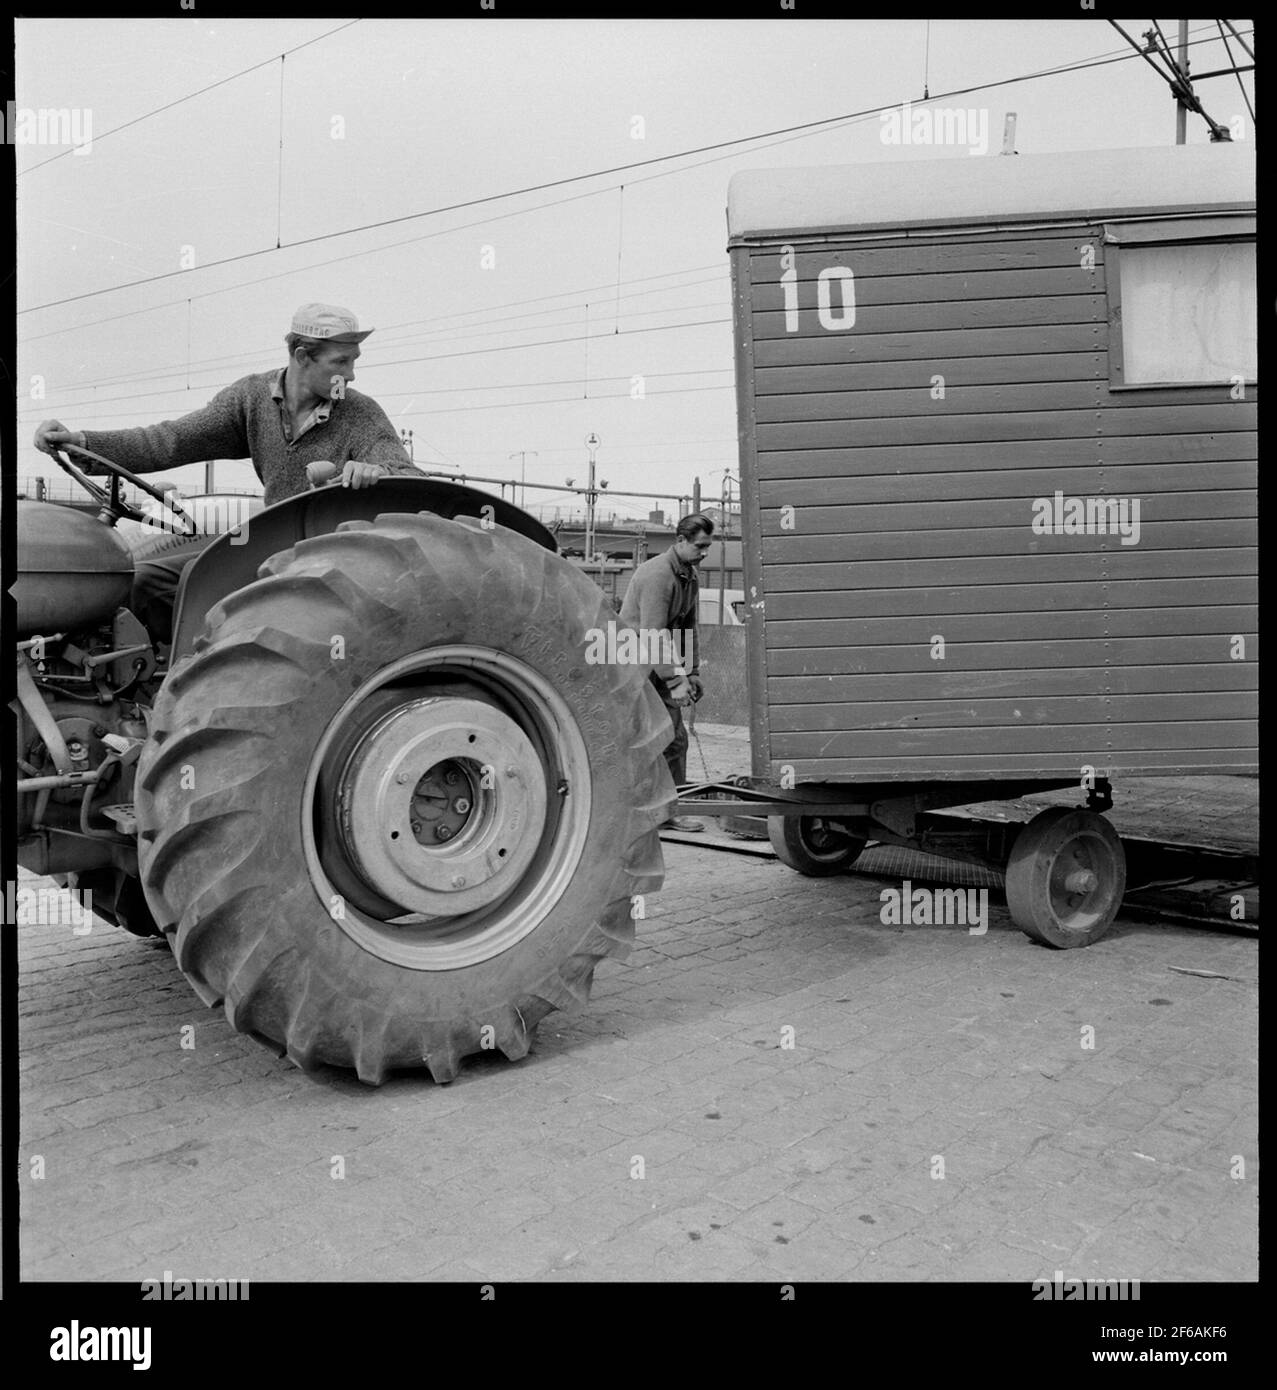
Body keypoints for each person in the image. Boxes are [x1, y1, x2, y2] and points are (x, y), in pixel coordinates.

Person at [32, 302, 422, 645]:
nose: (351, 375)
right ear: (302, 357)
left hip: (325, 555)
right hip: (270, 541)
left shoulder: (358, 413)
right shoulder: (251, 400)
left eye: (353, 361)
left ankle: (205, 672)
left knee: (194, 578)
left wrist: (377, 470)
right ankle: (146, 683)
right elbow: (172, 440)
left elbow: (407, 473)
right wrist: (82, 442)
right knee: (144, 581)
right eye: (341, 362)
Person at [618, 513, 714, 831]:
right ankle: (648, 812)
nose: (704, 553)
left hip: (658, 663)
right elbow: (653, 634)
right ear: (681, 541)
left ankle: (666, 811)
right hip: (634, 666)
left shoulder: (688, 575)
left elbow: (687, 628)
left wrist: (692, 672)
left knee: (672, 740)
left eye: (707, 547)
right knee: (650, 740)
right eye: (699, 546)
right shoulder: (658, 575)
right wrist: (676, 680)